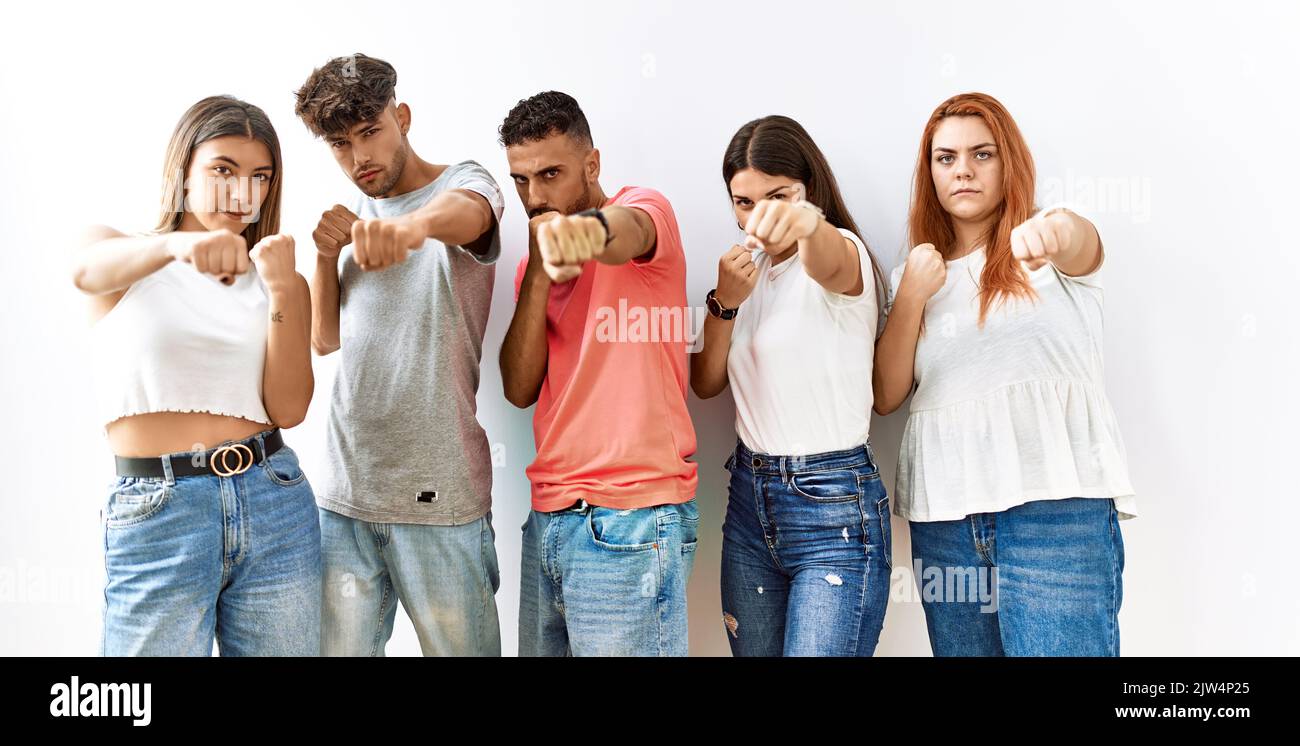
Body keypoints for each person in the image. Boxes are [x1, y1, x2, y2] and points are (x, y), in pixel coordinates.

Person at [874, 92, 1136, 656]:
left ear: (1008, 162)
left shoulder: (1047, 249)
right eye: (945, 158)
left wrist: (1055, 232)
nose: (963, 169)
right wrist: (913, 296)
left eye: (982, 154)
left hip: (1055, 511)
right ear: (930, 173)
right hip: (945, 519)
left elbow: (1081, 243)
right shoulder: (913, 275)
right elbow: (887, 395)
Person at [73, 95, 319, 656]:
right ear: (182, 172)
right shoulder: (119, 253)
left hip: (273, 499)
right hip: (160, 509)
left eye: (260, 176)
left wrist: (283, 291)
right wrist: (183, 246)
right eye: (222, 171)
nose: (242, 194)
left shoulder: (278, 280)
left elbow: (289, 409)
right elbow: (84, 272)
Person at [295, 53, 506, 656]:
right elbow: (324, 340)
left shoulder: (464, 182)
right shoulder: (353, 214)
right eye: (341, 144)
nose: (359, 158)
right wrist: (322, 257)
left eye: (370, 133)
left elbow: (469, 215)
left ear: (402, 117)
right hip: (343, 498)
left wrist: (410, 229)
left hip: (439, 499)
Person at [499, 90, 699, 656]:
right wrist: (539, 270)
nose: (534, 197)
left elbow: (626, 229)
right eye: (520, 180)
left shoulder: (647, 211)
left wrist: (576, 237)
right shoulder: (528, 266)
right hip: (550, 520)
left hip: (632, 520)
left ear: (592, 164)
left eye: (551, 174)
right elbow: (518, 388)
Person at [691, 115, 891, 656]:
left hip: (833, 504)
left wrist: (805, 224)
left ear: (809, 191)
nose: (757, 217)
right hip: (749, 503)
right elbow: (705, 383)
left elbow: (828, 258)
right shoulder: (745, 272)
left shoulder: (840, 253)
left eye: (776, 197)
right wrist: (724, 302)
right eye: (744, 201)